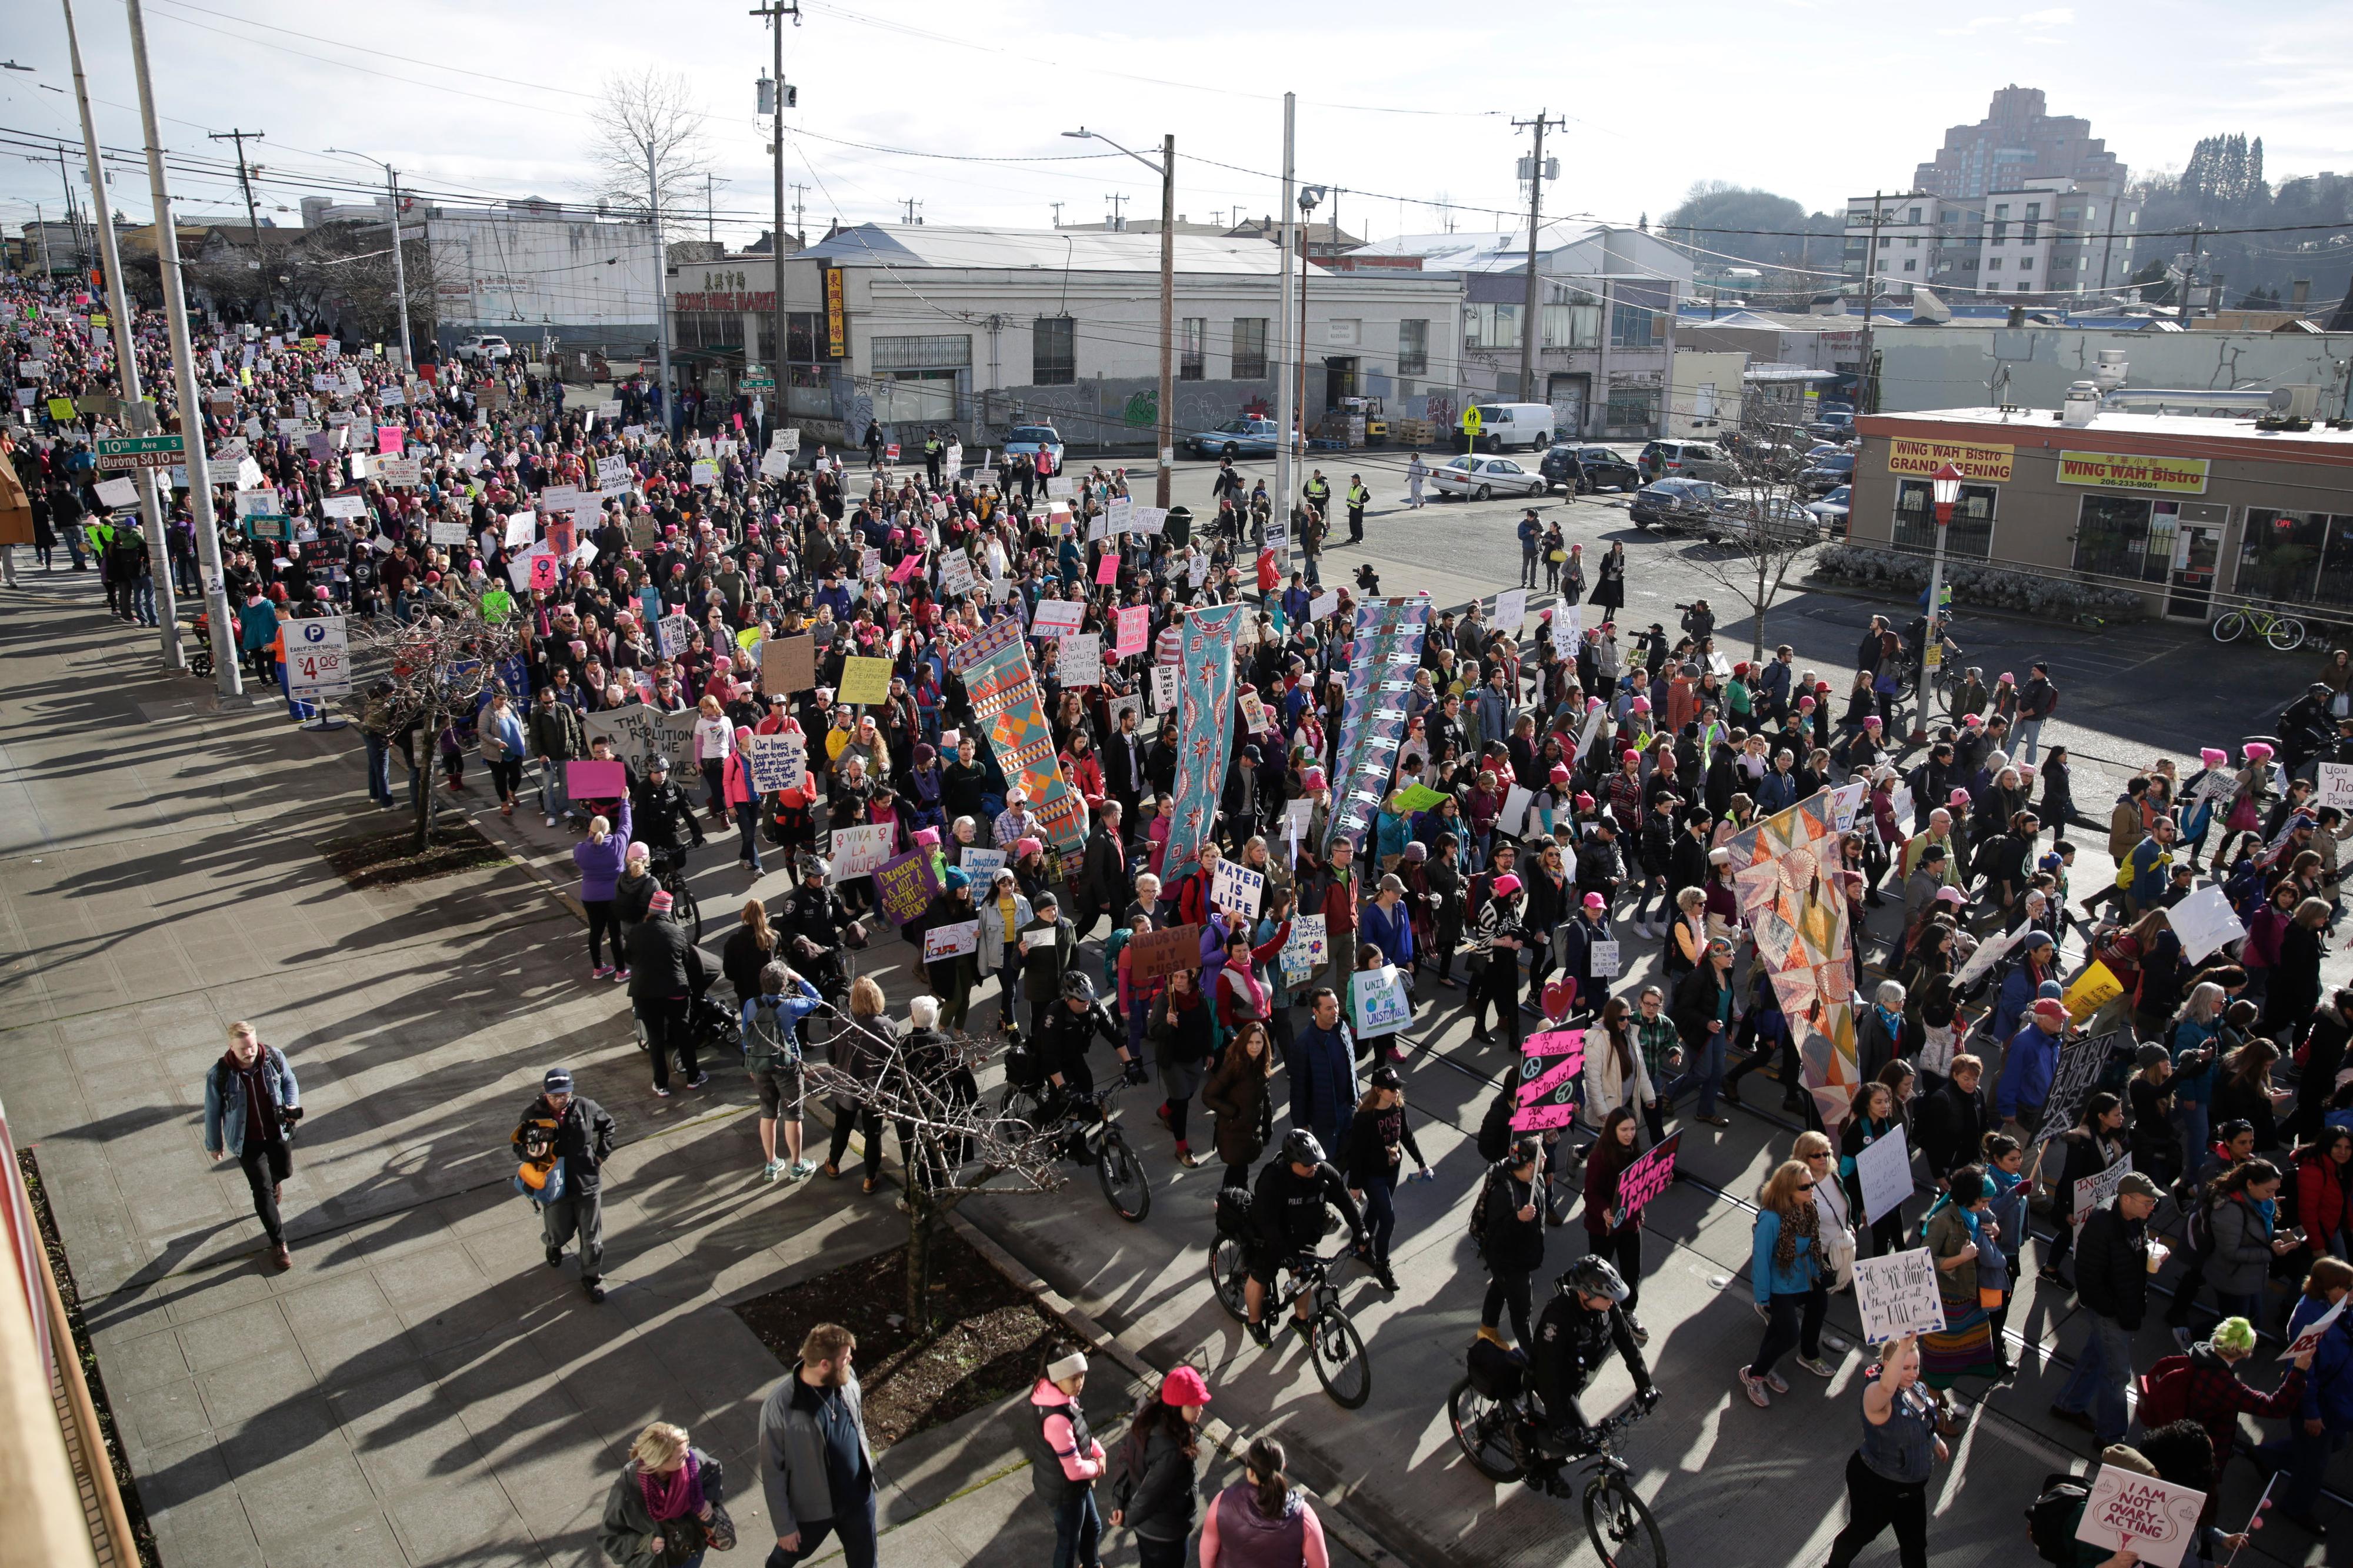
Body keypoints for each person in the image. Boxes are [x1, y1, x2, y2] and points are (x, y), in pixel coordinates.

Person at [1518, 1257, 1661, 1496]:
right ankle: (1525, 1441)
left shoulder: (1607, 1309)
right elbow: (1548, 1375)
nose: (1612, 1302)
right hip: (1553, 1381)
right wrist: (1559, 1425)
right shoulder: (1558, 1318)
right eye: (1607, 1297)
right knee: (1574, 1438)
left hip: (1576, 1376)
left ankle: (1549, 1460)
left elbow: (1627, 1344)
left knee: (1579, 1437)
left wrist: (1645, 1385)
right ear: (1585, 1294)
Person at [2049, 1170, 2161, 1446]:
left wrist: (2149, 1253)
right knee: (2117, 1375)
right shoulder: (2102, 1224)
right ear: (2126, 1199)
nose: (2152, 1208)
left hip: (2124, 1305)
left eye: (2153, 1203)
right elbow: (2087, 1274)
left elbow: (2130, 1251)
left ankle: (2068, 1404)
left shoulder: (2136, 1218)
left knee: (2097, 1356)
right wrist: (2110, 1310)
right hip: (2112, 1311)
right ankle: (2110, 1437)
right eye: (2148, 1202)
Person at [758, 1322, 878, 1568]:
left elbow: (858, 1427)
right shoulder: (780, 1405)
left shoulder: (847, 1379)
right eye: (845, 1358)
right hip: (813, 1510)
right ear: (824, 1364)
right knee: (782, 1561)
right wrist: (784, 1527)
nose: (850, 1361)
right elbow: (772, 1471)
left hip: (858, 1500)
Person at [1822, 1336, 1948, 1568]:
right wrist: (1903, 1347)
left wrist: (1933, 1439)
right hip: (1877, 1486)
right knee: (1860, 1534)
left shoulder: (1916, 1389)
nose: (1913, 1374)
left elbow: (1918, 1421)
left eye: (1916, 1367)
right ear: (1888, 1365)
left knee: (1915, 1546)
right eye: (1905, 1367)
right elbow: (1887, 1388)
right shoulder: (1876, 1394)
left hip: (1911, 1489)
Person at [1245, 1129, 1365, 1346]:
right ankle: (1253, 1321)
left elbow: (1345, 1199)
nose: (1314, 1167)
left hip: (1302, 1235)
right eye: (1308, 1164)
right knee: (1261, 1276)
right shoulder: (1273, 1179)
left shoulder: (1322, 1172)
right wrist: (1286, 1254)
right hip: (1271, 1237)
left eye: (1316, 1162)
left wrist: (1360, 1231)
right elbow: (1267, 1223)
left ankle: (1300, 1320)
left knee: (1306, 1274)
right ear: (1292, 1163)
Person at [200, 1020, 301, 1269]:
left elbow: (289, 1081)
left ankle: (274, 1181)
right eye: (243, 1048)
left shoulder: (274, 1057)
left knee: (285, 1171)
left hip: (277, 1132)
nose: (250, 1052)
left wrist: (291, 1104)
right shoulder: (219, 1075)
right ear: (231, 1047)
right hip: (246, 1141)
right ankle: (279, 1243)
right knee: (261, 1190)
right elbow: (212, 1112)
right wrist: (215, 1144)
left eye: (252, 1046)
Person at [513, 1067, 616, 1302]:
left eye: (565, 1094)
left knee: (592, 1238)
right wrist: (531, 1154)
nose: (561, 1100)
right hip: (554, 1187)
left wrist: (601, 1156)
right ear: (544, 1092)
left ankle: (591, 1278)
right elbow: (518, 1147)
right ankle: (553, 1244)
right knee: (560, 1233)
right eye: (555, 1096)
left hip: (587, 1183)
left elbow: (608, 1125)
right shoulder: (532, 1116)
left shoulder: (586, 1106)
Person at [1741, 1159, 1832, 1407]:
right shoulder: (1771, 1219)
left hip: (1805, 1278)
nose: (1811, 1189)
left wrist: (1818, 1272)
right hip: (1780, 1286)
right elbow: (1761, 1259)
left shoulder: (1809, 1208)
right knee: (1790, 1335)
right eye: (1804, 1187)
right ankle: (1753, 1375)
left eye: (1812, 1184)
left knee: (1783, 1326)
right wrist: (1763, 1296)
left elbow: (1812, 1244)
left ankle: (1766, 1366)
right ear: (1787, 1189)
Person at [1107, 1366, 1210, 1568]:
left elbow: (1126, 1458)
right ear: (1177, 1407)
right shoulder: (1172, 1451)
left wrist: (1119, 1501)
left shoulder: (1147, 1418)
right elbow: (1150, 1493)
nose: (1200, 1409)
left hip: (1148, 1529)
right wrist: (1127, 1519)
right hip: (1165, 1533)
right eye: (1194, 1405)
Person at [1339, 1064, 1429, 1292]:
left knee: (1375, 1210)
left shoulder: (1398, 1107)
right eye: (1391, 1089)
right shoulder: (1364, 1118)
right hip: (1373, 1176)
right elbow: (1357, 1154)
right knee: (1388, 1220)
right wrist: (1355, 1185)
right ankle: (1382, 1266)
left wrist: (1421, 1162)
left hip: (1392, 1172)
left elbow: (1406, 1135)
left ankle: (1361, 1244)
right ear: (1378, 1090)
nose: (1396, 1092)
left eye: (1397, 1087)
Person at [599, 1420, 728, 1568]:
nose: (689, 1456)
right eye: (681, 1457)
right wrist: (646, 1543)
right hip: (660, 1562)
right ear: (660, 1462)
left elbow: (713, 1470)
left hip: (694, 1549)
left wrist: (708, 1501)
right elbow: (610, 1537)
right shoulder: (628, 1490)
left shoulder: (693, 1461)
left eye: (687, 1448)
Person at [1025, 1349, 1106, 1568]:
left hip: (1073, 1484)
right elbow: (1074, 1469)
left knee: (1093, 1528)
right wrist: (1096, 1467)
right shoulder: (1056, 1420)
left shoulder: (1063, 1397)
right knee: (1069, 1543)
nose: (1080, 1383)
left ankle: (1092, 1565)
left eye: (1082, 1376)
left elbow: (1080, 1433)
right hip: (1065, 1490)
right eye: (1073, 1378)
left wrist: (1099, 1451)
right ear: (1057, 1378)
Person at [744, 962, 825, 1181]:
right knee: (793, 1116)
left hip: (760, 1065)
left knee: (767, 1113)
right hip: (787, 1066)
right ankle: (797, 1165)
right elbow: (817, 999)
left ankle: (771, 1164)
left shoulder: (750, 1005)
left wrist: (751, 1064)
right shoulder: (789, 1006)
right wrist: (798, 977)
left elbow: (746, 1036)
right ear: (783, 984)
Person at [628, 889, 713, 1096]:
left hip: (645, 993)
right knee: (683, 1033)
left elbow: (628, 957)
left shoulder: (636, 931)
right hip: (675, 991)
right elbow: (686, 959)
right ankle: (693, 1076)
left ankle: (661, 1084)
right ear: (667, 912)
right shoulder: (677, 932)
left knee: (655, 1037)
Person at [1198, 1436, 1329, 1568]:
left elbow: (1207, 1553)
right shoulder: (1303, 1516)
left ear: (1250, 1472)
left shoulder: (1222, 1501)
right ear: (1283, 1467)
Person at [1581, 1107, 1652, 1343]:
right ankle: (1591, 1312)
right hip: (1603, 1228)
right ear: (1613, 1130)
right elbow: (1591, 1193)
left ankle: (1628, 1312)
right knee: (1598, 1274)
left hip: (1630, 1224)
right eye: (1624, 1130)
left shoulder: (1635, 1152)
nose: (1630, 1134)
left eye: (1632, 1129)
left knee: (1632, 1271)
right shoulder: (1599, 1158)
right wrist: (1604, 1211)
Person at [1478, 1135, 1550, 1352]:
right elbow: (1495, 1236)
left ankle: (1487, 1329)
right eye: (1542, 1157)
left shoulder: (1533, 1179)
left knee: (1500, 1287)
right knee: (1522, 1314)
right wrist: (1518, 1219)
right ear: (1530, 1166)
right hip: (1510, 1263)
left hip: (1518, 1259)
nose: (1546, 1158)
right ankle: (1532, 1359)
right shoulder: (1503, 1193)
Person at [1202, 1019, 1277, 1193]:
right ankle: (1231, 1201)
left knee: (1239, 1171)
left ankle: (1228, 1200)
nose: (1254, 1047)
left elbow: (1265, 1099)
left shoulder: (1262, 1065)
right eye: (1250, 1042)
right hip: (1233, 1132)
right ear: (1243, 1043)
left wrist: (1267, 1125)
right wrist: (1233, 1112)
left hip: (1250, 1132)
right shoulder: (1234, 1066)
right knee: (1239, 1172)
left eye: (1258, 1042)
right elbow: (1208, 1096)